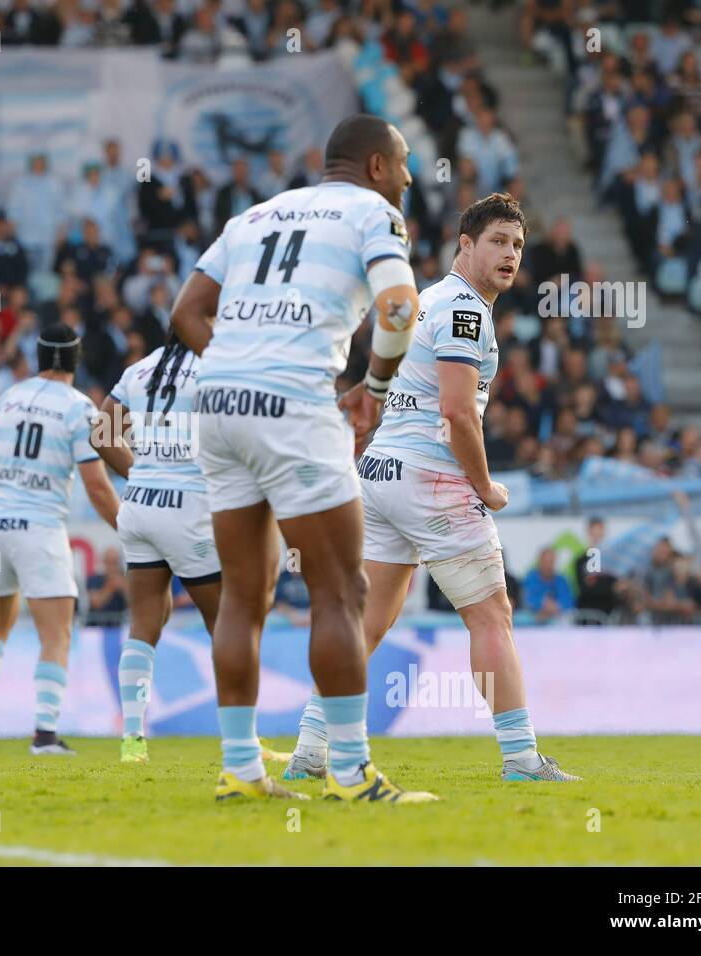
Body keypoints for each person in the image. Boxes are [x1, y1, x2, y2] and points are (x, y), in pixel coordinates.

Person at [171, 113, 435, 802]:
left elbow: (185, 312)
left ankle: (239, 770)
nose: (409, 178)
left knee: (242, 595)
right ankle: (350, 773)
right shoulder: (372, 214)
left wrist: (237, 363)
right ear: (377, 166)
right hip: (294, 405)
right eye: (403, 164)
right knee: (341, 591)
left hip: (218, 405)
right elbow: (402, 307)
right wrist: (373, 389)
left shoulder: (254, 215)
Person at [296, 192, 580, 783]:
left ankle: (310, 748)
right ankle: (522, 758)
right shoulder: (465, 309)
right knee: (492, 615)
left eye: (518, 246)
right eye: (498, 242)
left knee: (368, 620)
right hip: (432, 480)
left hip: (379, 475)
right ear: (466, 245)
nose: (510, 255)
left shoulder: (424, 300)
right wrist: (485, 485)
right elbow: (456, 412)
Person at [0, 325, 119, 757]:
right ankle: (45, 734)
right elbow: (98, 487)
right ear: (76, 360)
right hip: (39, 527)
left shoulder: (6, 399)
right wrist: (130, 527)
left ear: (38, 356)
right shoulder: (79, 407)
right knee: (57, 633)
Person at [92, 334, 223, 763]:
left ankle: (132, 737)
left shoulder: (140, 368)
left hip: (141, 505)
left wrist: (144, 473)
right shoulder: (216, 364)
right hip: (189, 508)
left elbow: (101, 433)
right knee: (227, 624)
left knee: (144, 624)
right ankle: (243, 741)